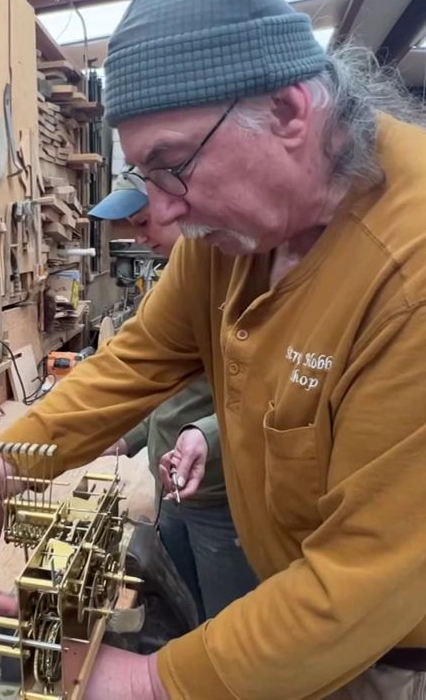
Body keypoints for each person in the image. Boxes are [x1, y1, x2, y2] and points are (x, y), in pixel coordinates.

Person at [0, 0, 426, 698]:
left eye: (174, 164)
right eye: (145, 174)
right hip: (312, 626)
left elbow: (372, 574)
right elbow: (137, 360)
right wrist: (5, 462)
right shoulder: (231, 236)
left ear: (285, 110)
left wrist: (151, 683)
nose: (162, 208)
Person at [90, 173, 259, 622]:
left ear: (178, 207)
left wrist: (204, 435)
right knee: (184, 612)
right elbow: (169, 396)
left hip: (219, 498)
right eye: (133, 227)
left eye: (145, 221)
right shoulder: (177, 285)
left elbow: (267, 399)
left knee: (227, 624)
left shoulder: (236, 290)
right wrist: (127, 438)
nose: (142, 237)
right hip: (171, 494)